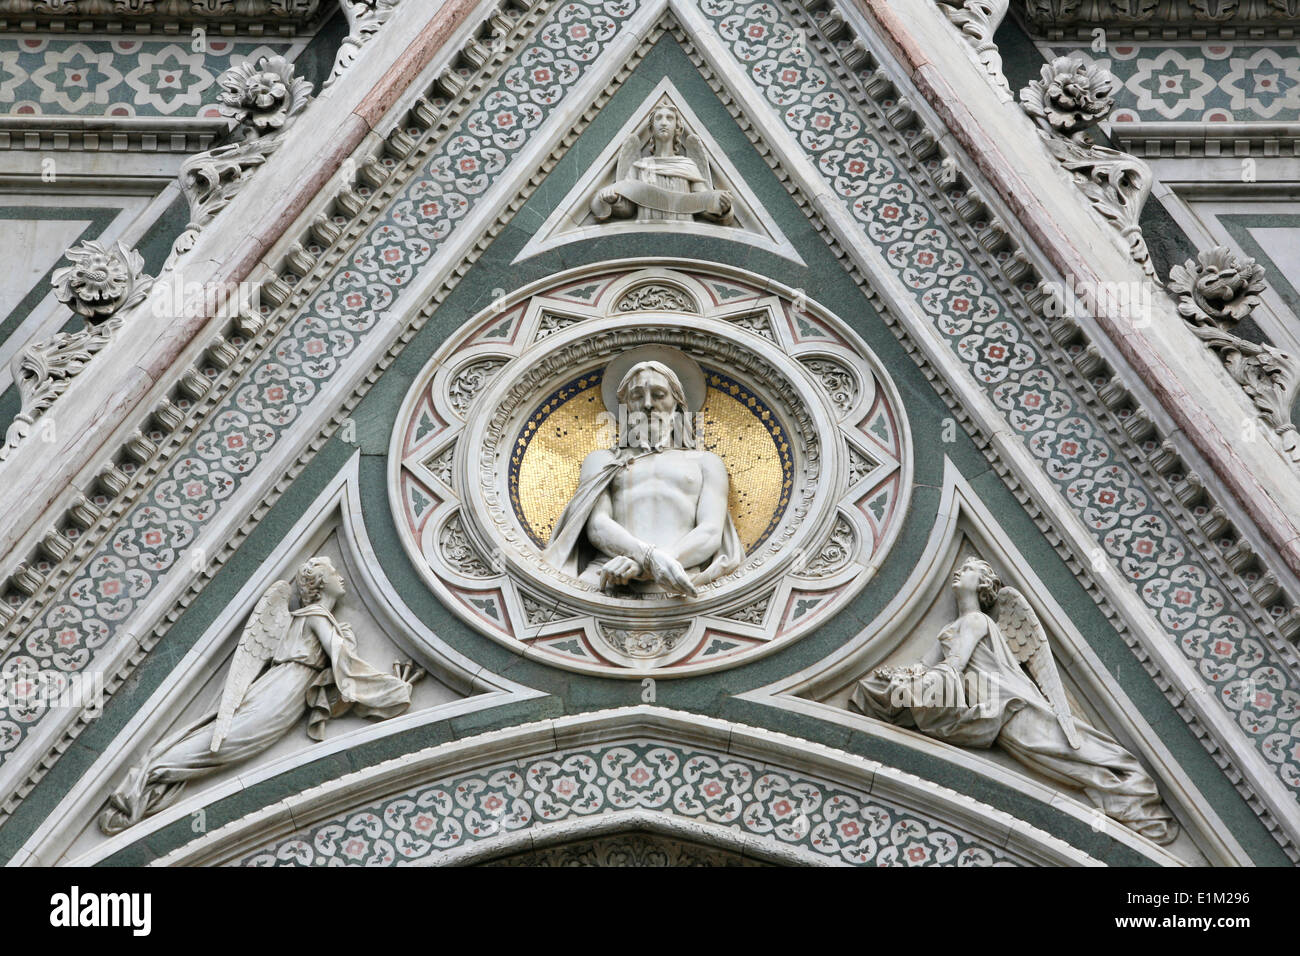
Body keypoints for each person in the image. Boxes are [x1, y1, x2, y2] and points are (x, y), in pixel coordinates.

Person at [542, 360, 742, 596]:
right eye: (637, 396)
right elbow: (597, 524)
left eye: (659, 394)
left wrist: (650, 565)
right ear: (626, 406)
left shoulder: (705, 462)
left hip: (683, 579)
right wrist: (649, 558)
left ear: (677, 403)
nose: (648, 404)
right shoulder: (603, 460)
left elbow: (710, 530)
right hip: (605, 578)